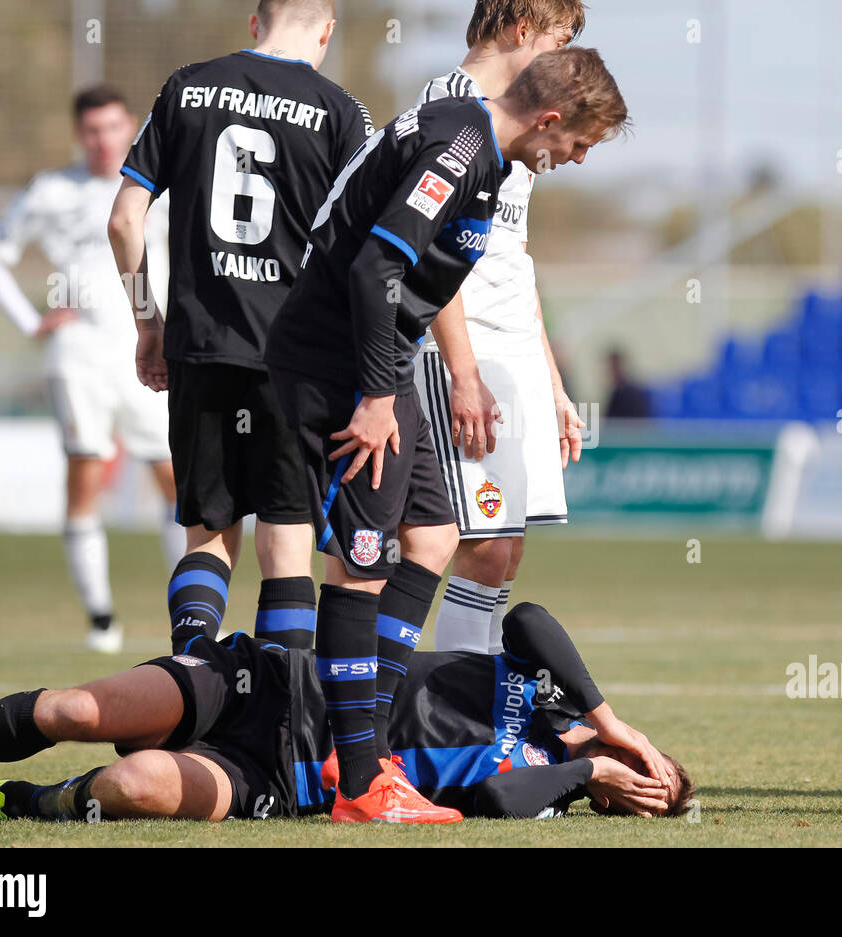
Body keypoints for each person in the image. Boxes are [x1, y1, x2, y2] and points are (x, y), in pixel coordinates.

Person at [263, 46, 644, 821]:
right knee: (362, 566)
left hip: (388, 364)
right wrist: (373, 395)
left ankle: (356, 740)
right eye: (578, 144)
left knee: (435, 534)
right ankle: (363, 786)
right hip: (339, 366)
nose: (572, 160)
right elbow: (376, 268)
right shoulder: (461, 144)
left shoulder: (491, 162)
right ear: (550, 119)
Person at [107, 0, 373, 655]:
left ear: (256, 22)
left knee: (207, 534)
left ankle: (186, 687)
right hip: (295, 358)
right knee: (285, 542)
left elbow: (122, 220)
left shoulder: (186, 86)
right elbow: (366, 249)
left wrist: (149, 323)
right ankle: (282, 724)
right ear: (327, 31)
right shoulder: (341, 112)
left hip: (198, 344)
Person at [0, 604, 691, 823]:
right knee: (78, 706)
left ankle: (20, 800)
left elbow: (490, 799)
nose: (640, 770)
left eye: (650, 783)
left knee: (134, 784)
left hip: (281, 776)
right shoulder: (554, 688)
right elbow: (528, 616)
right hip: (273, 682)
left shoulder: (542, 782)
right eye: (656, 763)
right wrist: (608, 718)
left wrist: (586, 770)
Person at [0, 85, 183, 654]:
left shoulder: (156, 184)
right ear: (78, 134)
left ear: (130, 128)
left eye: (113, 128)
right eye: (91, 130)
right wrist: (31, 320)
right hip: (79, 353)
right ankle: (100, 620)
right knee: (84, 474)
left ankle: (188, 618)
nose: (103, 140)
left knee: (174, 478)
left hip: (149, 344)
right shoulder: (51, 191)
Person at [415, 0, 589, 656]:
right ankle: (447, 721)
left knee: (506, 551)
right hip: (468, 350)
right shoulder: (450, 106)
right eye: (559, 39)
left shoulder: (514, 124)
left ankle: (476, 717)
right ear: (521, 30)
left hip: (514, 353)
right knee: (480, 546)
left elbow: (512, 255)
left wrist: (553, 382)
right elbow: (428, 251)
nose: (564, 57)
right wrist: (462, 372)